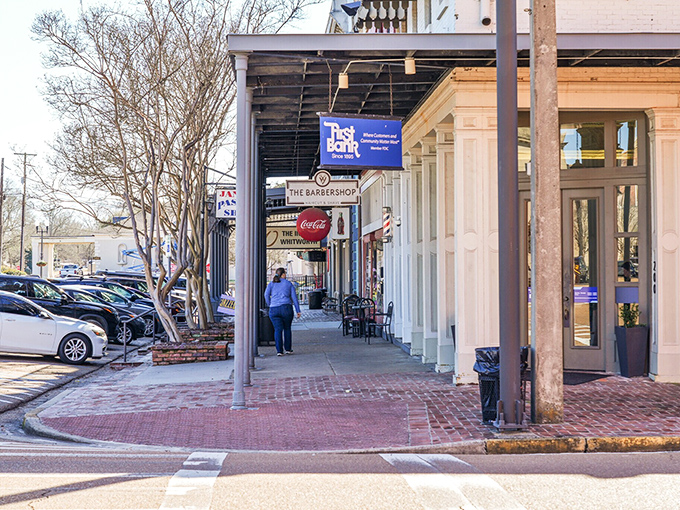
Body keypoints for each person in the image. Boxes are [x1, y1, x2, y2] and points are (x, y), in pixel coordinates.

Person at [264, 267, 301, 356]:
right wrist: (298, 310)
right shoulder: (288, 284)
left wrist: (270, 304)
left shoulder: (271, 284)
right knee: (287, 328)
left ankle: (279, 351)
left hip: (274, 309)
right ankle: (288, 349)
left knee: (277, 330)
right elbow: (294, 298)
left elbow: (266, 295)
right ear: (283, 274)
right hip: (286, 308)